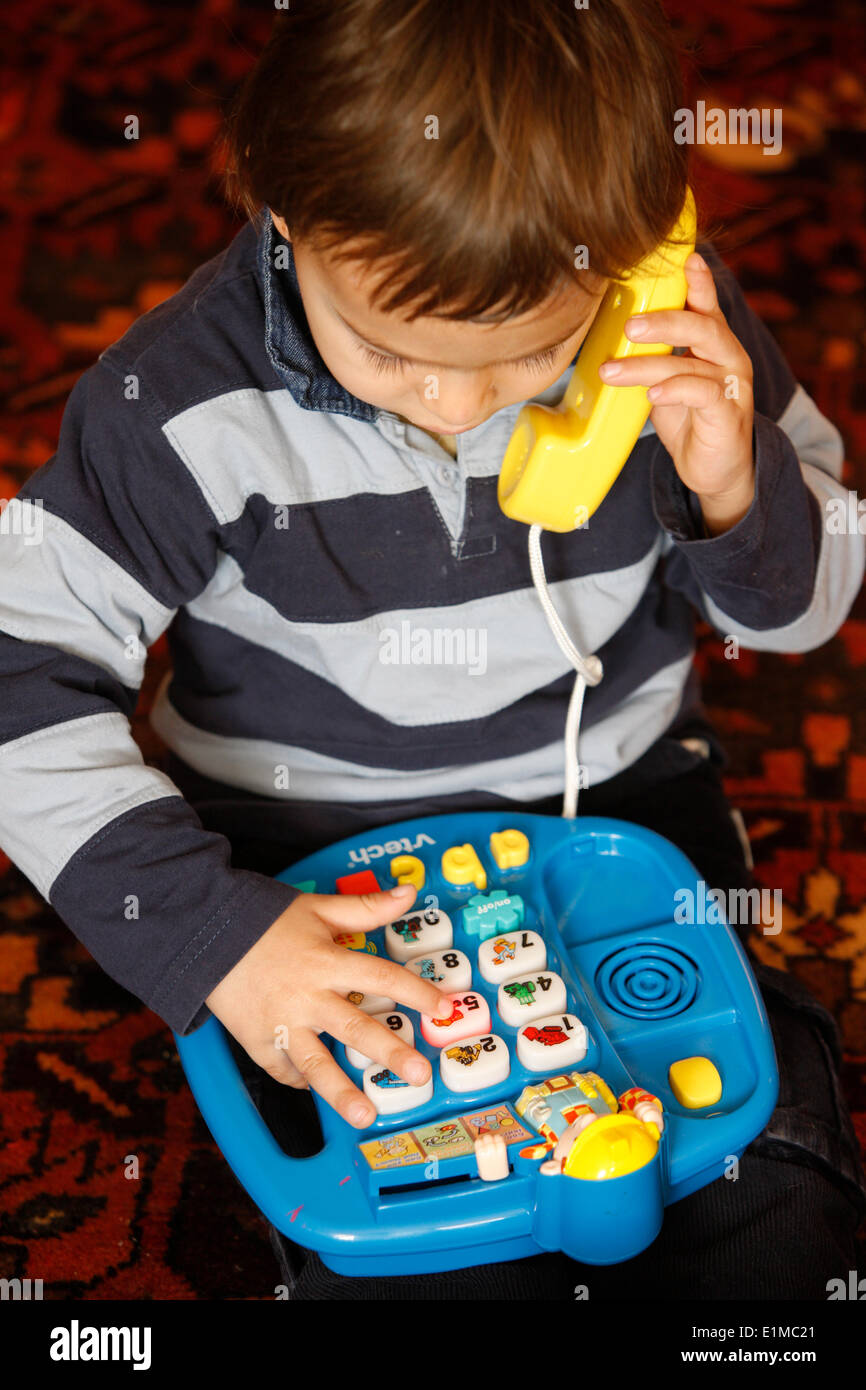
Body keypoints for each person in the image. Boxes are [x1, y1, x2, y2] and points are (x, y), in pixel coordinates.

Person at [1, 0, 863, 1300]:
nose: (460, 410)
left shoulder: (679, 337)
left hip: (613, 785)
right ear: (284, 220)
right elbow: (17, 670)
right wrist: (222, 939)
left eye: (528, 356)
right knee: (418, 1233)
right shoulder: (174, 404)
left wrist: (735, 487)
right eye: (392, 355)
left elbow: (793, 618)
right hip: (292, 830)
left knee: (770, 1184)